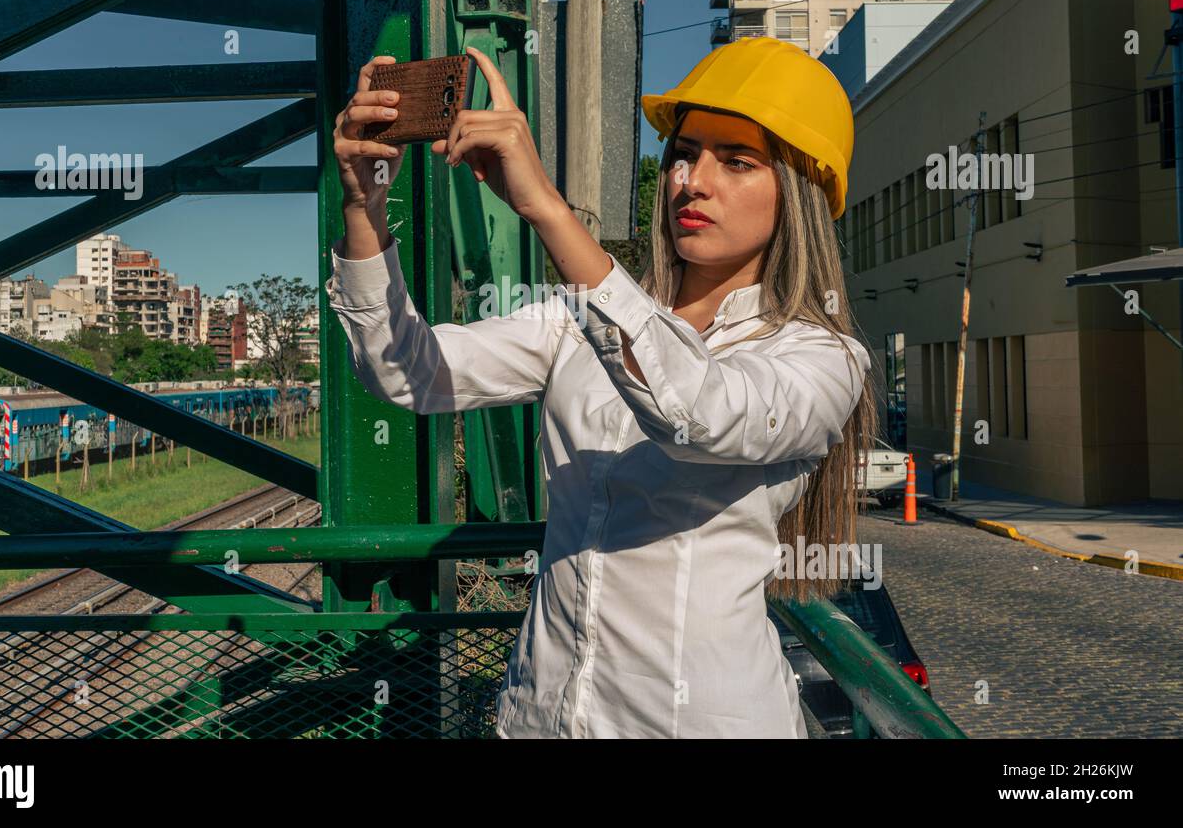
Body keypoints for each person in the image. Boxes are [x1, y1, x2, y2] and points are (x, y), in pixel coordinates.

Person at [324, 38, 876, 739]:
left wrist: (550, 212)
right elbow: (404, 370)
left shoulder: (822, 356)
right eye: (684, 152)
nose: (691, 181)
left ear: (798, 193)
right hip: (538, 718)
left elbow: (696, 415)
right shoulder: (575, 320)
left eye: (736, 161)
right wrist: (364, 202)